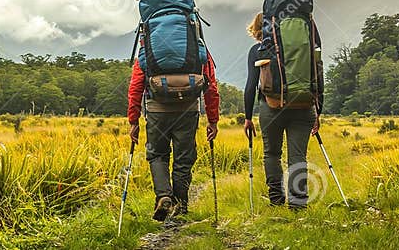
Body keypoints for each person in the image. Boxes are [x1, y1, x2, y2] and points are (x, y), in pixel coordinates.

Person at [127, 25, 220, 222]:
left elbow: (135, 86)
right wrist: (213, 120)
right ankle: (181, 205)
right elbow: (211, 85)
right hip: (188, 111)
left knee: (157, 155)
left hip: (156, 110)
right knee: (184, 159)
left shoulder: (149, 48)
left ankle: (163, 196)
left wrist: (133, 121)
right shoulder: (197, 48)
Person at [242, 12, 323, 208]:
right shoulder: (305, 49)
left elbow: (251, 85)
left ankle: (276, 200)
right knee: (297, 155)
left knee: (272, 154)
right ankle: (298, 203)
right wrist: (318, 112)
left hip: (271, 107)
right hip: (304, 106)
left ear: (259, 30)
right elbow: (319, 78)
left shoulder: (257, 50)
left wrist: (247, 117)